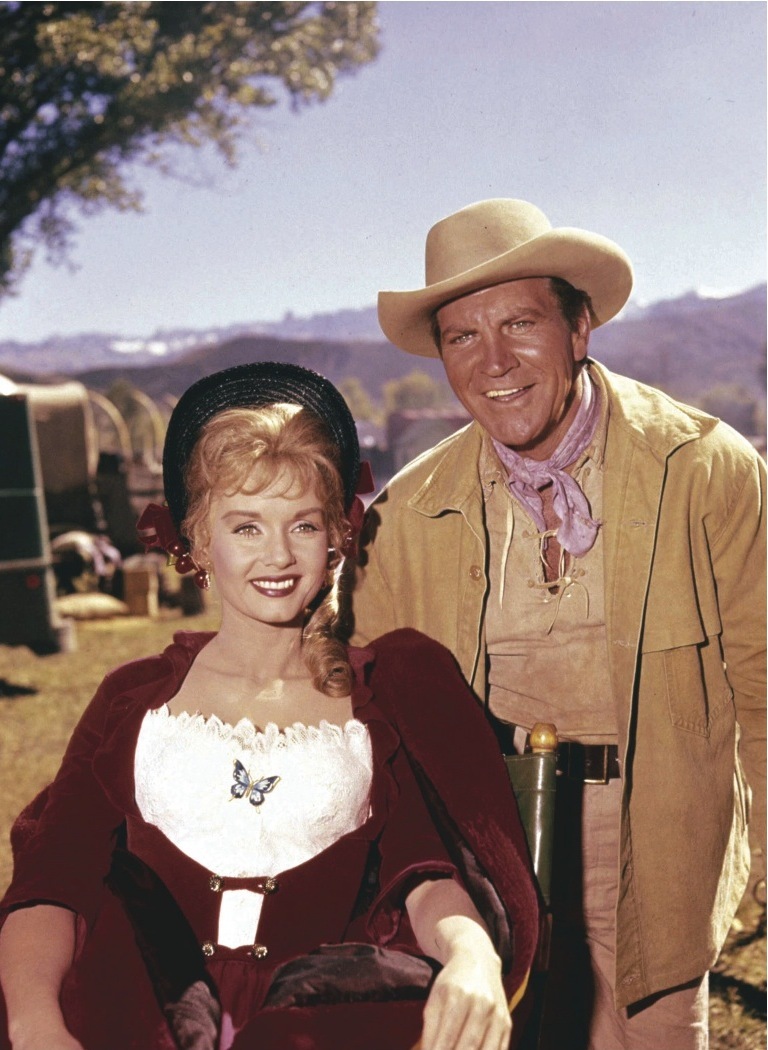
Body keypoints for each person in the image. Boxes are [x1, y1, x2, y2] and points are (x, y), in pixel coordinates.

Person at [0, 362, 539, 1050]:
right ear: (195, 539)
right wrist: (35, 1021)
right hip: (133, 1020)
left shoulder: (376, 700)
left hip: (318, 1027)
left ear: (337, 535)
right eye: (246, 527)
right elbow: (54, 882)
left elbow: (426, 875)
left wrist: (472, 956)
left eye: (304, 525)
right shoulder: (133, 701)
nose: (277, 555)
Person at [350, 198, 766, 1050]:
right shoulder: (403, 514)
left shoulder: (703, 469)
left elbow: (765, 684)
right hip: (485, 860)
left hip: (658, 844)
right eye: (462, 337)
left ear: (579, 329)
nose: (493, 361)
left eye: (520, 323)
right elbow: (367, 727)